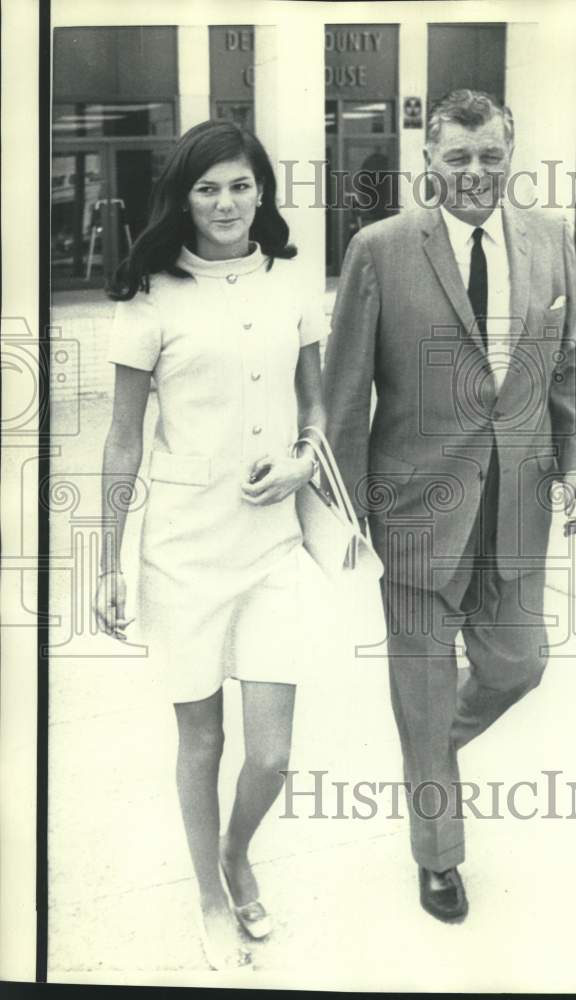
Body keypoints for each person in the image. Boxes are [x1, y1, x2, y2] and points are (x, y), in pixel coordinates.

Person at [323, 90, 576, 923]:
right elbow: (344, 396)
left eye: (488, 157)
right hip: (409, 509)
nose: (474, 173)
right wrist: (343, 520)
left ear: (507, 155)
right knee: (418, 691)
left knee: (519, 663)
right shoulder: (378, 250)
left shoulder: (548, 238)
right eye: (457, 158)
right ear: (429, 162)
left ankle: (429, 752)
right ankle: (437, 857)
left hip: (516, 505)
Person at [93, 120, 325, 968]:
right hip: (184, 551)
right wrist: (107, 561)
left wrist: (305, 462)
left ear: (262, 190)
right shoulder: (149, 296)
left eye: (238, 185)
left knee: (270, 751)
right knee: (203, 741)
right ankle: (207, 897)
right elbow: (122, 439)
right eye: (205, 187)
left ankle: (236, 850)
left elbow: (319, 403)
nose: (224, 203)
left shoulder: (293, 282)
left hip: (269, 544)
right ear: (182, 199)